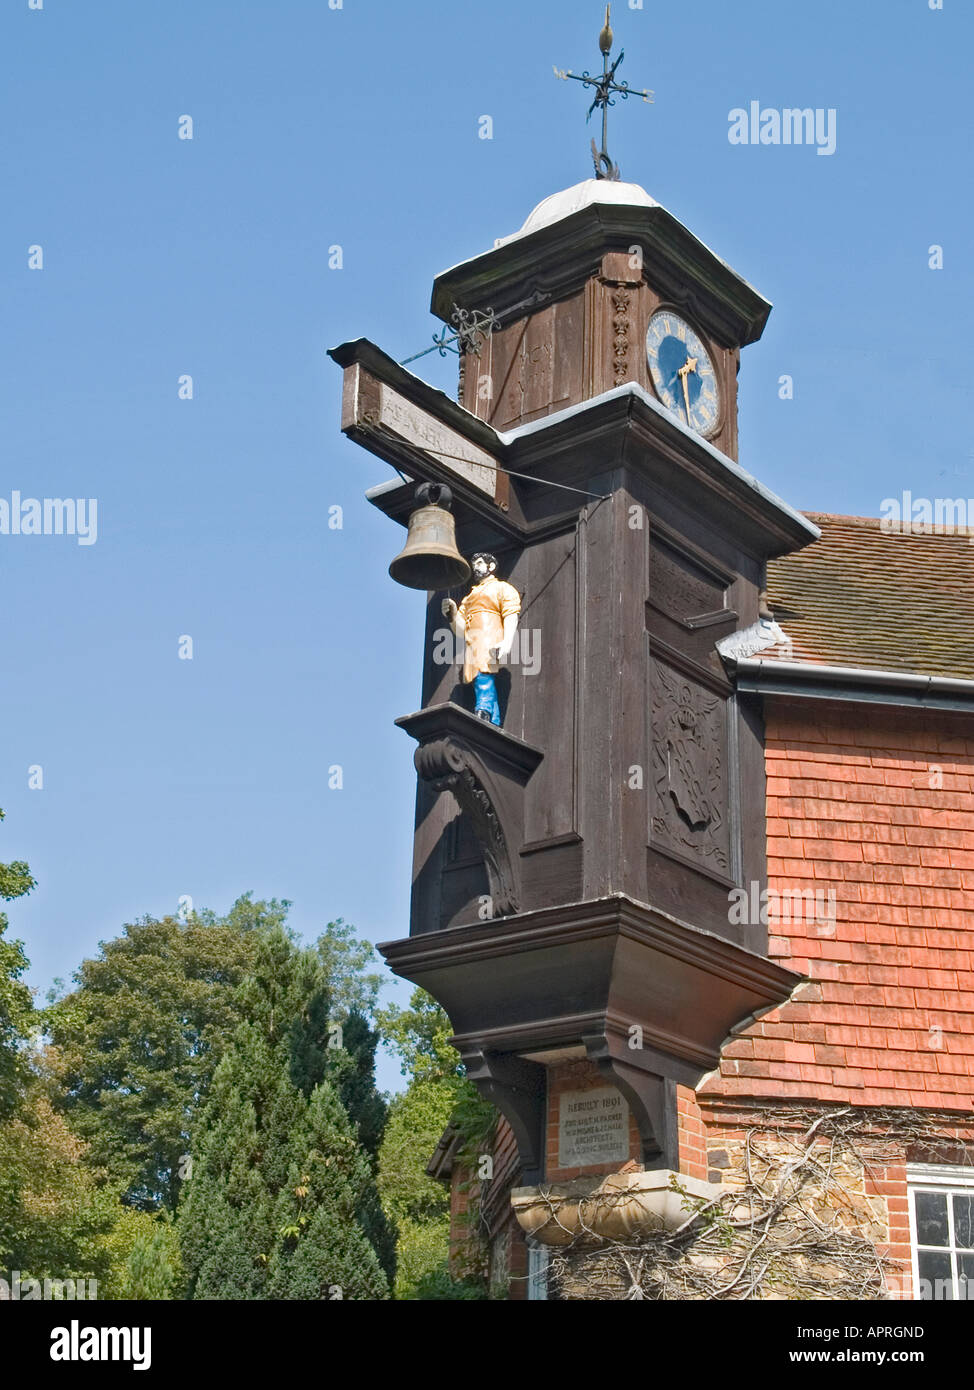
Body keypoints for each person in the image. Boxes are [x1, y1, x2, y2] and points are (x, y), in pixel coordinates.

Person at [441, 552, 521, 726]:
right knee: (478, 673)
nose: (475, 567)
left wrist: (507, 641)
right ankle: (494, 720)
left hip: (489, 635)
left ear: (491, 567)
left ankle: (483, 710)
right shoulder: (470, 597)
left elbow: (511, 614)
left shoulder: (501, 588)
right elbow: (461, 629)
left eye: (479, 563)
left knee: (483, 673)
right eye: (474, 564)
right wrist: (452, 616)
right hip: (473, 640)